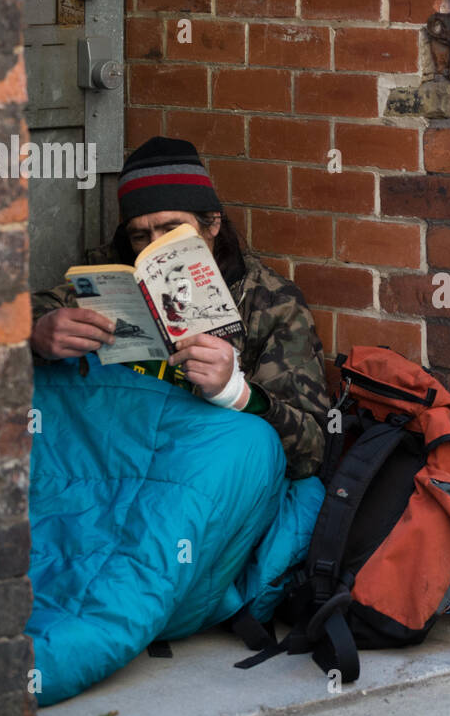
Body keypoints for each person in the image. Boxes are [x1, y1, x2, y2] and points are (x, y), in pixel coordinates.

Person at [30, 136, 331, 479]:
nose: (155, 248)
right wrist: (35, 334)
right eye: (140, 236)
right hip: (113, 455)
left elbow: (311, 451)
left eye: (172, 230)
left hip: (200, 466)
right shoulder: (111, 275)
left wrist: (237, 393)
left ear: (213, 223)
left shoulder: (272, 303)